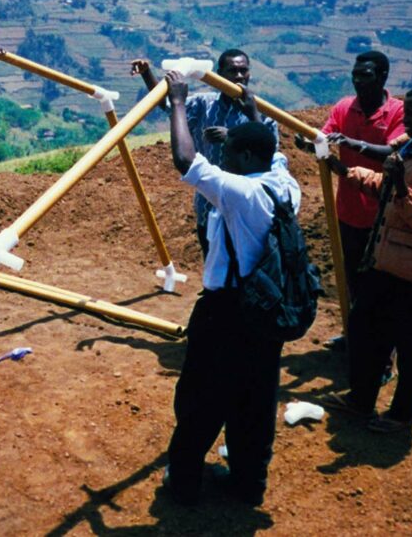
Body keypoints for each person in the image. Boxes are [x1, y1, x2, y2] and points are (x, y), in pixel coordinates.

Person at [162, 70, 300, 507]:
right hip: (266, 309)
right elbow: (270, 148)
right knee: (255, 399)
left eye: (229, 151)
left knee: (202, 398)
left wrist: (178, 101)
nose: (223, 157)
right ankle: (248, 483)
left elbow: (187, 161)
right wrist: (252, 110)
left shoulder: (242, 193)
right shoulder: (283, 183)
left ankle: (183, 484)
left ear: (243, 156)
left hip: (228, 312)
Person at [320, 84, 412, 433]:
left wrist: (402, 185)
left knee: (410, 345)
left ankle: (402, 415)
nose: (406, 118)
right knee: (366, 328)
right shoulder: (410, 145)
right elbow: (384, 184)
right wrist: (345, 172)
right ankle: (361, 399)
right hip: (388, 260)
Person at [295, 51, 405, 354]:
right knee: (353, 280)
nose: (358, 81)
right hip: (347, 212)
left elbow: (393, 153)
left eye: (365, 75)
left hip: (383, 217)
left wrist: (356, 144)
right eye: (355, 75)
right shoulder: (345, 107)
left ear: (382, 76)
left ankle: (384, 353)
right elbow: (326, 135)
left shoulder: (398, 112)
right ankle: (354, 335)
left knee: (379, 287)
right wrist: (310, 143)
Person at [132, 49, 278, 258]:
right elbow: (169, 105)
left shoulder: (263, 113)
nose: (238, 76)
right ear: (219, 74)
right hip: (208, 206)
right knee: (212, 257)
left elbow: (271, 161)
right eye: (232, 71)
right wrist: (147, 74)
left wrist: (232, 136)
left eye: (243, 70)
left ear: (249, 74)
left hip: (245, 210)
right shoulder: (205, 104)